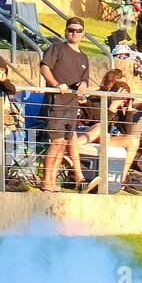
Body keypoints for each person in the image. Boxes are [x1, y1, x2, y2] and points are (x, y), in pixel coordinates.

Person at [39, 17, 91, 192]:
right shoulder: (57, 48)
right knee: (56, 142)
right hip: (56, 103)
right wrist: (55, 84)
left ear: (83, 34)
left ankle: (53, 181)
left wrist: (83, 86)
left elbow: (84, 80)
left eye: (78, 30)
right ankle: (46, 180)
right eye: (70, 30)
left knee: (63, 144)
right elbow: (44, 67)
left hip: (72, 105)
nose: (74, 33)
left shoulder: (83, 56)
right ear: (65, 31)